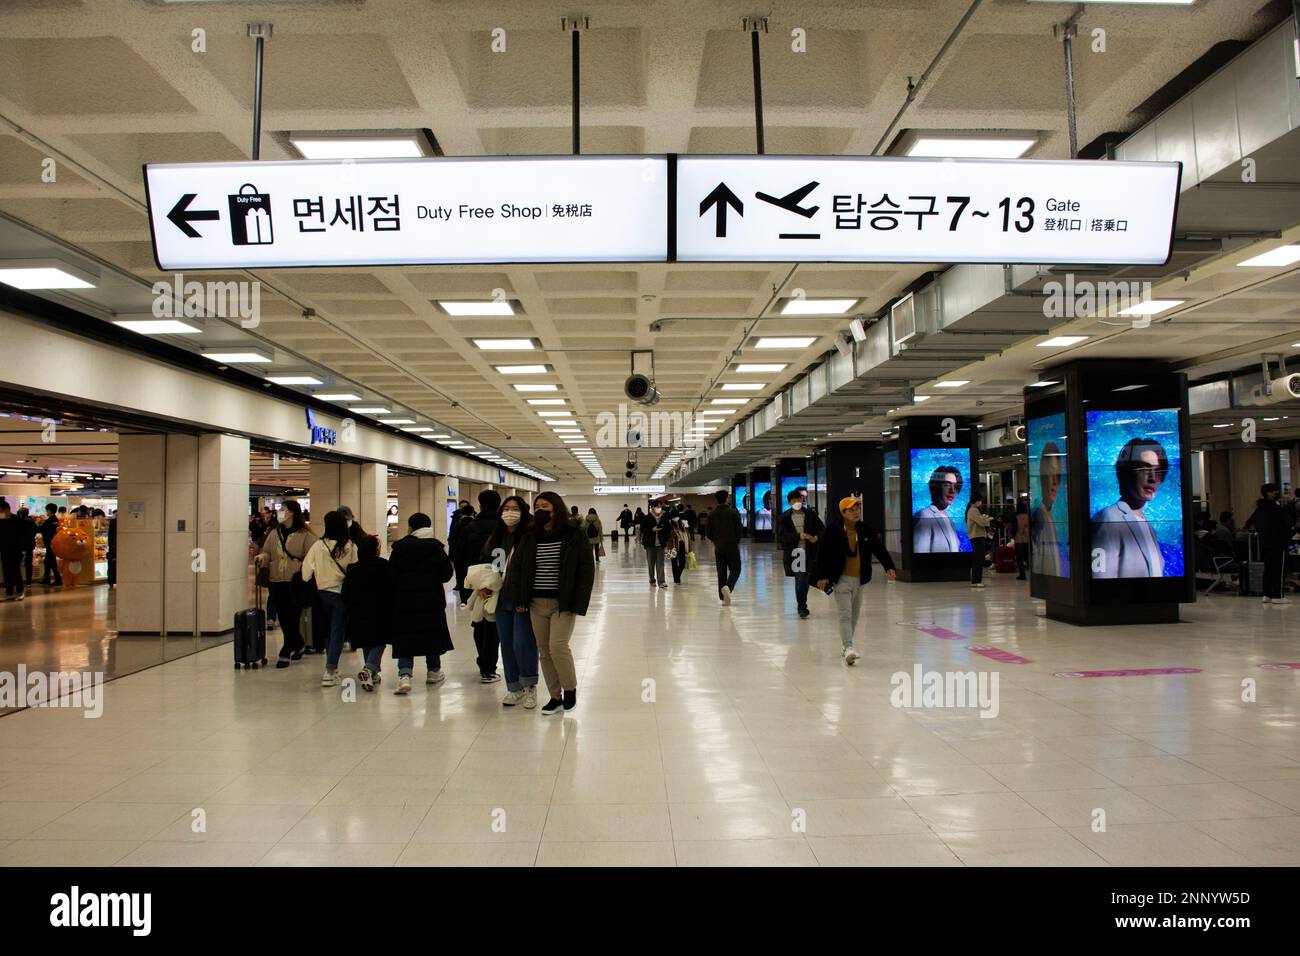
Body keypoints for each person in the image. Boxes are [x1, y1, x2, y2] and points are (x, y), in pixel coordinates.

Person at [499, 491, 594, 716]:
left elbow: (585, 569)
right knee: (543, 650)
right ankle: (555, 696)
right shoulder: (530, 536)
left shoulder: (573, 534)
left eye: (546, 506)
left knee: (558, 646)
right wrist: (519, 599)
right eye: (538, 506)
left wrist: (578, 603)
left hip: (563, 602)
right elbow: (518, 568)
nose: (541, 510)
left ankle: (569, 688)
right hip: (536, 602)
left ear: (557, 508)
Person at [815, 497, 896, 666]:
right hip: (841, 579)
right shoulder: (833, 530)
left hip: (859, 579)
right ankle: (848, 647)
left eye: (857, 508)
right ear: (843, 512)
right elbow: (823, 554)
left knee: (854, 615)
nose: (855, 512)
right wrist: (822, 576)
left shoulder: (865, 529)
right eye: (851, 510)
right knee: (845, 614)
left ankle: (846, 645)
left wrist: (889, 566)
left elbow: (878, 548)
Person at [388, 511, 454, 694]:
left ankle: (404, 674)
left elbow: (391, 575)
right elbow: (447, 574)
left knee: (406, 634)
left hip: (404, 600)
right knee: (431, 633)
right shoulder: (435, 548)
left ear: (410, 527)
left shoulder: (399, 549)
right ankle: (433, 671)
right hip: (431, 599)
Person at [486, 496, 539, 708]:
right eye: (506, 509)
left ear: (523, 512)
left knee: (523, 643)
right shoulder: (496, 537)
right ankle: (514, 687)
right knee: (506, 644)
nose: (510, 512)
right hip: (500, 599)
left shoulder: (530, 536)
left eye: (515, 509)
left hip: (522, 599)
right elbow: (490, 565)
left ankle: (530, 686)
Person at [1090, 437, 1169, 578]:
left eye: (1157, 471)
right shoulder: (1109, 519)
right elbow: (1100, 580)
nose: (1152, 478)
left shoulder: (1147, 525)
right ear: (1127, 473)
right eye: (1145, 468)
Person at [255, 500, 316, 667]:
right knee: (283, 616)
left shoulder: (305, 535)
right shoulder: (275, 533)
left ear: (291, 513)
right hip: (276, 580)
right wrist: (263, 558)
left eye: (283, 509)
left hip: (295, 581)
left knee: (293, 616)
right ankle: (298, 643)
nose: (280, 512)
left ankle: (286, 650)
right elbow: (267, 552)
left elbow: (312, 557)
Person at [301, 510, 359, 686]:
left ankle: (331, 666)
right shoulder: (350, 546)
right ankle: (330, 669)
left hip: (321, 594)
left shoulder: (318, 546)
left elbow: (305, 574)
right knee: (337, 631)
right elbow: (354, 571)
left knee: (327, 630)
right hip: (341, 594)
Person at [453, 489, 503, 683]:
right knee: (494, 625)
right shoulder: (502, 528)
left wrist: (464, 585)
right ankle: (489, 667)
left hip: (475, 585)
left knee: (479, 623)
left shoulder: (468, 528)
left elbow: (459, 558)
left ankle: (484, 663)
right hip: (498, 582)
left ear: (479, 505)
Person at [343, 534, 392, 692]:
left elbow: (345, 592)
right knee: (379, 642)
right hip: (379, 610)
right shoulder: (384, 565)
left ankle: (373, 674)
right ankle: (369, 669)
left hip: (358, 611)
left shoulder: (352, 569)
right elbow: (391, 588)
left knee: (366, 642)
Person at [778, 487, 824, 619]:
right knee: (800, 579)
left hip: (810, 553)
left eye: (799, 499)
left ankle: (802, 603)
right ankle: (802, 606)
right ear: (790, 503)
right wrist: (799, 536)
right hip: (796, 554)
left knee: (806, 579)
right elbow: (782, 536)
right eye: (794, 500)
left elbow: (822, 529)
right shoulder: (785, 518)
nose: (798, 502)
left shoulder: (810, 514)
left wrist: (816, 537)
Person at [1249, 483, 1292, 605]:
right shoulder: (1275, 508)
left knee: (1268, 569)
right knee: (1279, 569)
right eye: (1274, 491)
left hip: (1265, 543)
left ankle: (1267, 594)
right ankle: (1278, 595)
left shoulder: (1260, 508)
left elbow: (1251, 522)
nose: (1276, 493)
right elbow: (1287, 522)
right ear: (1269, 493)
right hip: (1279, 543)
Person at [912, 466, 962, 553]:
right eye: (947, 485)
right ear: (936, 487)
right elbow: (920, 554)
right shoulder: (925, 515)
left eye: (956, 486)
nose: (952, 490)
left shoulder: (949, 519)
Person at [1031, 442, 1064, 575]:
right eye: (1051, 473)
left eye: (1058, 474)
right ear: (1042, 477)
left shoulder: (1053, 518)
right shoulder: (1039, 517)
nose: (1055, 482)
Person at [708, 489, 743, 605]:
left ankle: (723, 598)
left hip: (718, 546)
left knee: (721, 571)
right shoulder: (733, 512)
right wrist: (736, 540)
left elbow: (708, 533)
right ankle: (728, 587)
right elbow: (739, 529)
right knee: (736, 569)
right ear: (727, 498)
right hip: (732, 545)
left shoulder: (712, 514)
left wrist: (716, 540)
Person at [448, 500, 476, 606]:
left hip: (460, 556)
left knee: (461, 576)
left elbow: (452, 540)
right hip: (473, 556)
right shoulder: (475, 524)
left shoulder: (457, 525)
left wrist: (452, 556)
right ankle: (472, 597)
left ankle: (464, 599)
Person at [640, 499, 672, 588]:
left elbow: (668, 530)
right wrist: (651, 529)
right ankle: (652, 580)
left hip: (660, 544)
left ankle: (661, 581)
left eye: (660, 507)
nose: (659, 508)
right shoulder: (647, 517)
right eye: (657, 507)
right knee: (651, 564)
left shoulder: (664, 518)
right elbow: (642, 529)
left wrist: (665, 538)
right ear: (653, 508)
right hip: (650, 544)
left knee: (661, 563)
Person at [0, 500, 26, 601]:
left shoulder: (17, 520)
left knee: (15, 570)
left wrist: (23, 548)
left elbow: (24, 535)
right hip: (4, 549)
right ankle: (9, 592)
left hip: (16, 549)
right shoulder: (1, 521)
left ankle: (20, 591)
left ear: (5, 509)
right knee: (6, 571)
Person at [967, 493, 991, 588]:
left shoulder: (973, 510)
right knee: (978, 559)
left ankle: (976, 580)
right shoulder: (973, 510)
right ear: (976, 501)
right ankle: (976, 580)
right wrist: (987, 519)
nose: (981, 502)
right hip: (977, 537)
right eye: (980, 500)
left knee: (978, 558)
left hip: (977, 536)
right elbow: (981, 523)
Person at [38, 503, 61, 586]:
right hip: (54, 543)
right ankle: (47, 578)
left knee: (51, 561)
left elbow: (42, 530)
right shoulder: (56, 520)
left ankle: (57, 579)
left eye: (47, 510)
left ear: (49, 510)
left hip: (49, 544)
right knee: (48, 561)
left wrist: (40, 524)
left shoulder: (48, 521)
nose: (46, 512)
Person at [16, 508, 36, 588]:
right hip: (30, 545)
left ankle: (18, 581)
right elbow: (35, 531)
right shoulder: (31, 522)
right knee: (28, 565)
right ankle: (28, 582)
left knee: (17, 564)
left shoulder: (18, 522)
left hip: (20, 546)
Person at [667, 513, 690, 585]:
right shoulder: (669, 524)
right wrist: (673, 533)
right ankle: (677, 579)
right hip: (671, 546)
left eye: (677, 517)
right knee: (674, 563)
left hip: (682, 544)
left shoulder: (682, 524)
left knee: (682, 562)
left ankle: (677, 576)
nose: (676, 518)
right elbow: (667, 537)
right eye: (674, 517)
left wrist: (689, 547)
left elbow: (687, 536)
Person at [1014, 500, 1030, 580]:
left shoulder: (1016, 517)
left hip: (1019, 539)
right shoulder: (1028, 516)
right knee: (1028, 557)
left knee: (1019, 558)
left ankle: (1022, 574)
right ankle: (1033, 573)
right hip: (1027, 539)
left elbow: (1015, 528)